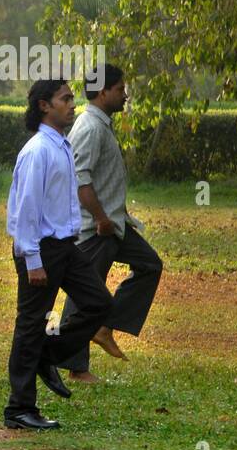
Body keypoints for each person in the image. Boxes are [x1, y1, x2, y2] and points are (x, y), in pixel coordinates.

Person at [4, 78, 113, 430]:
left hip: (66, 247)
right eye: (65, 99)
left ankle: (47, 355)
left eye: (71, 98)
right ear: (44, 106)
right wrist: (33, 260)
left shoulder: (61, 145)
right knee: (31, 324)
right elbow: (24, 211)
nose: (72, 104)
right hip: (41, 250)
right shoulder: (38, 150)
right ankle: (19, 409)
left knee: (99, 303)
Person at [59, 64, 163, 383]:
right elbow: (79, 181)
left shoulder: (100, 124)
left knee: (150, 265)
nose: (125, 94)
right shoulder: (90, 127)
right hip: (96, 228)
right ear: (103, 92)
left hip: (113, 224)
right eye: (120, 89)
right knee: (84, 294)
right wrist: (101, 219)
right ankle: (76, 368)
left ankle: (105, 328)